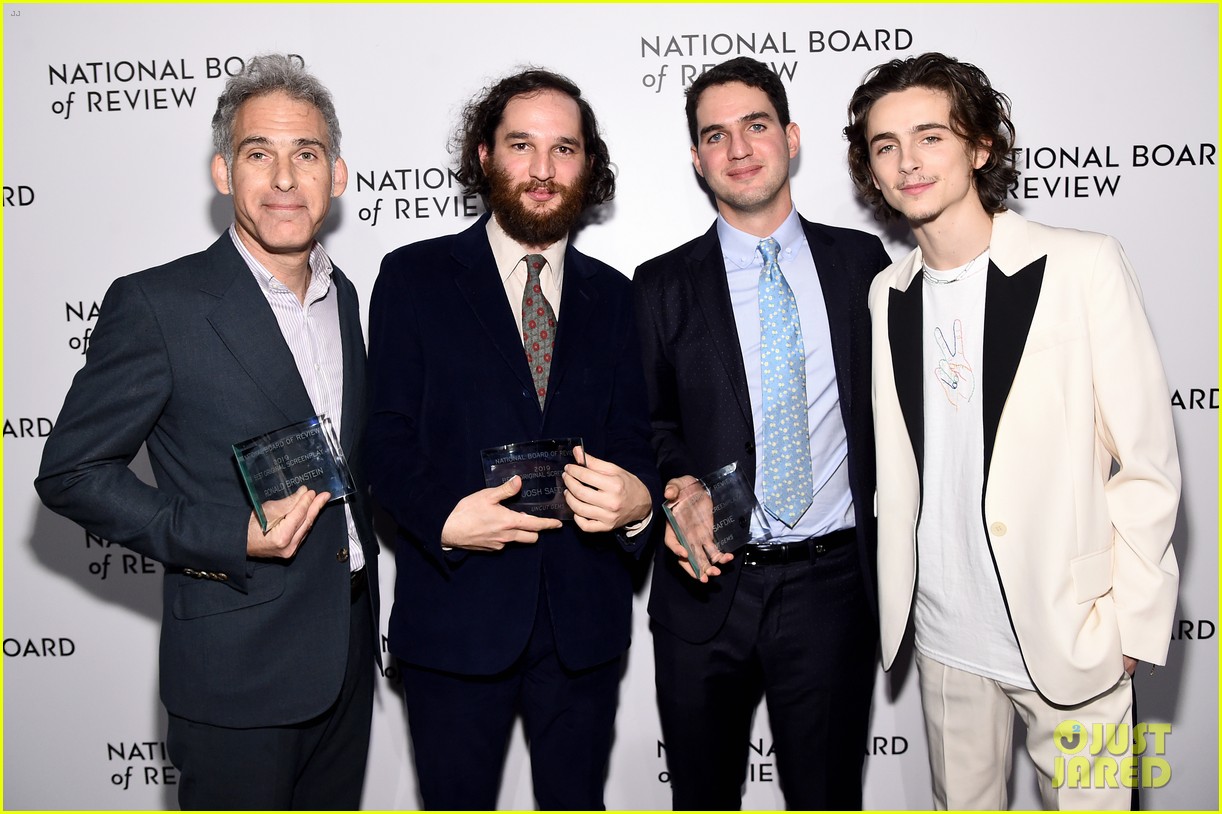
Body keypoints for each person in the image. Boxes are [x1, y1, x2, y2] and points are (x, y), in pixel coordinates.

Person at [34, 55, 378, 810]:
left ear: (339, 176)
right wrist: (231, 534)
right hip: (237, 671)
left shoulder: (343, 296)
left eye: (307, 155)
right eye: (260, 154)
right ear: (224, 172)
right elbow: (70, 473)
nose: (285, 180)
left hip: (347, 654)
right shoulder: (159, 305)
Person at [845, 52, 1181, 810]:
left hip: (1074, 638)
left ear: (980, 146)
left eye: (931, 136)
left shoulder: (1081, 264)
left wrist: (1131, 623)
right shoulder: (886, 294)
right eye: (885, 145)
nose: (908, 161)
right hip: (943, 641)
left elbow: (1148, 463)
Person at [365, 68, 660, 810]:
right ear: (485, 154)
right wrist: (441, 518)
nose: (542, 169)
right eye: (522, 145)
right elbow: (383, 439)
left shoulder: (618, 297)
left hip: (583, 626)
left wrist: (638, 502)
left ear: (587, 167)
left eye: (564, 149)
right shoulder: (413, 277)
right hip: (457, 618)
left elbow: (639, 438)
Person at [633, 56, 889, 809]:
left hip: (831, 589)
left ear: (791, 137)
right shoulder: (659, 285)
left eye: (756, 125)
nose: (739, 148)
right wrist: (676, 481)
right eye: (716, 135)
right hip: (704, 584)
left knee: (827, 798)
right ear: (696, 158)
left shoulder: (864, 266)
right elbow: (645, 422)